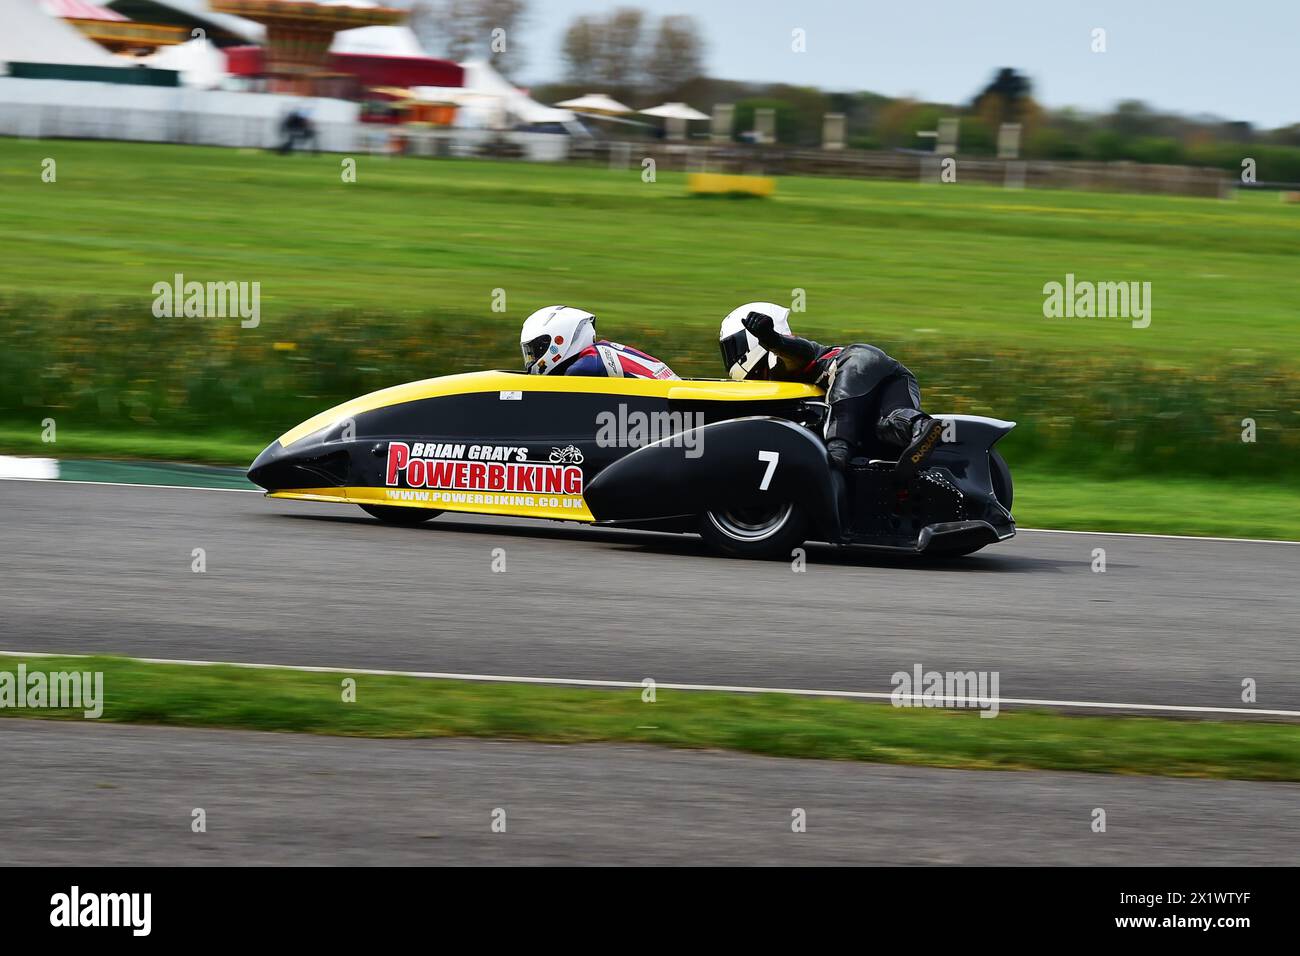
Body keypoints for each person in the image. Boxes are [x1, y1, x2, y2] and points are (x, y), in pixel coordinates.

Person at [718, 301, 943, 478]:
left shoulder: (779, 359)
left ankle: (835, 464)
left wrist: (772, 340)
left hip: (853, 363)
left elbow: (799, 354)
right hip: (896, 374)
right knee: (888, 423)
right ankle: (921, 426)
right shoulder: (781, 359)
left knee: (839, 430)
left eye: (732, 347)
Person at [519, 305, 677, 379]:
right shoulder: (597, 353)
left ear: (558, 341)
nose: (532, 359)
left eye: (535, 351)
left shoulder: (581, 369)